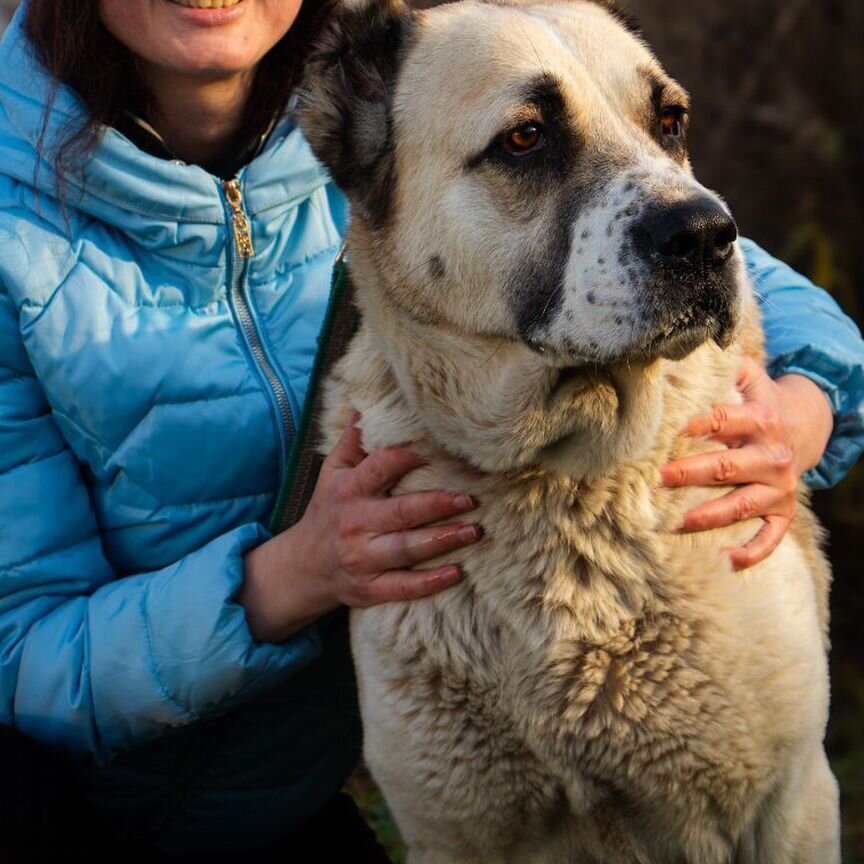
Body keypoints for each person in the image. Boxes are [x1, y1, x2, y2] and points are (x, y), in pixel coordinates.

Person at [0, 0, 861, 859]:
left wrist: (804, 405)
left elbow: (722, 252)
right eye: (526, 140)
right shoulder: (388, 111)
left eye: (666, 123)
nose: (691, 213)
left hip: (298, 787)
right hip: (96, 810)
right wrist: (295, 573)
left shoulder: (405, 67)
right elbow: (22, 652)